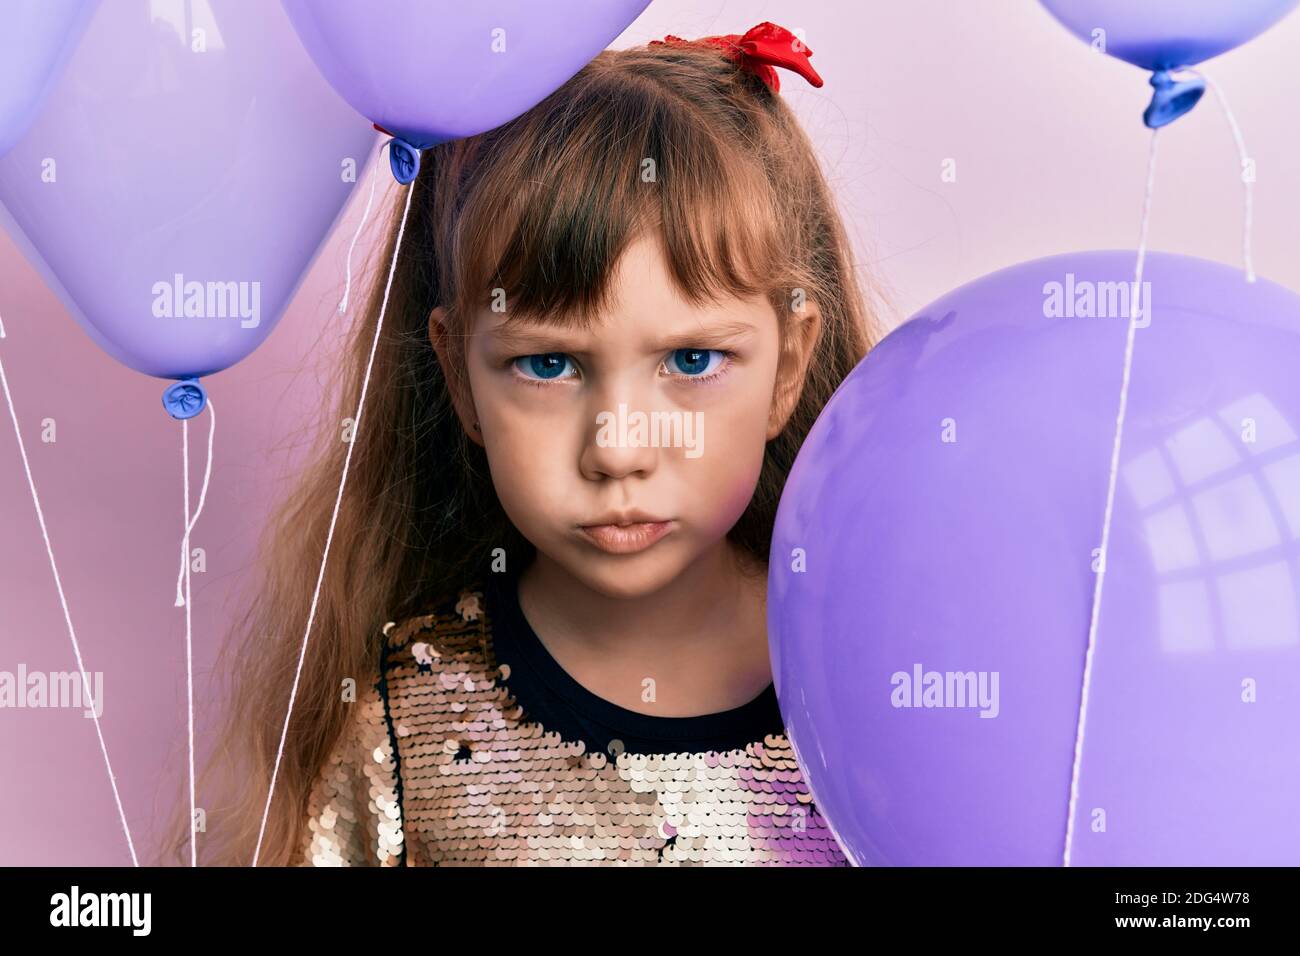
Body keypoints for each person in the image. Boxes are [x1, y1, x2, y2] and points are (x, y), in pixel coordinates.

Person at [168, 21, 880, 866]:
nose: (618, 451)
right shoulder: (404, 722)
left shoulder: (877, 689)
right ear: (462, 378)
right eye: (549, 364)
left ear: (788, 364)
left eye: (693, 360)